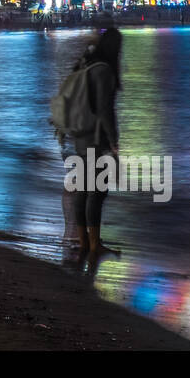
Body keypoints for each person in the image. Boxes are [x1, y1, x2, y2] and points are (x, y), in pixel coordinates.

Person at [65, 25, 123, 260]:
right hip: (95, 138)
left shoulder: (85, 64)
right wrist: (113, 140)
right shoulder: (104, 71)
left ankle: (83, 242)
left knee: (83, 190)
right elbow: (104, 109)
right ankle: (94, 244)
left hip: (79, 134)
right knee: (97, 191)